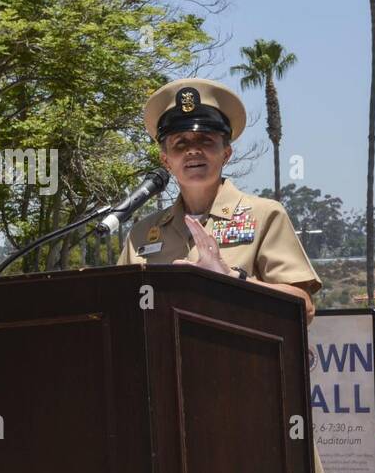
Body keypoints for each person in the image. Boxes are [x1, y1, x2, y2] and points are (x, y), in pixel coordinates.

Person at [118, 77, 320, 321]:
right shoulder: (141, 233)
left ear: (226, 154)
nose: (193, 150)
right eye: (180, 143)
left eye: (206, 140)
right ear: (166, 161)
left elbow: (303, 306)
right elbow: (120, 307)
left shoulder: (265, 215)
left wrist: (231, 278)